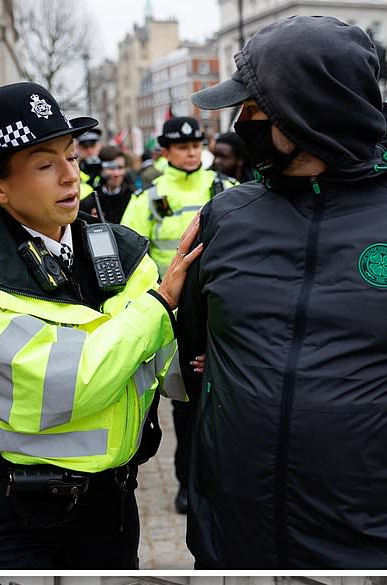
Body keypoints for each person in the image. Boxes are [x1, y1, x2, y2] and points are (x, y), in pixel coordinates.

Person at [181, 15, 387, 568]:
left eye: (254, 108)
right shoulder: (226, 217)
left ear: (305, 111)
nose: (240, 124)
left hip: (379, 544)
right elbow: (196, 344)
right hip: (233, 539)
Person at [0, 81, 198, 568]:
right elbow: (65, 384)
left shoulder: (125, 253)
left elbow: (168, 371)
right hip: (7, 514)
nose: (72, 175)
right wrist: (158, 307)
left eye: (71, 156)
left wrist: (202, 348)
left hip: (111, 505)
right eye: (45, 165)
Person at [128, 115, 235, 518]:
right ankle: (188, 485)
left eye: (196, 146)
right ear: (167, 152)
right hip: (174, 316)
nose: (191, 153)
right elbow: (129, 259)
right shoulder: (148, 198)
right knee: (186, 406)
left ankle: (224, 483)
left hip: (220, 313)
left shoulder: (226, 189)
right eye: (182, 147)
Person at [92, 144, 136, 224]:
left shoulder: (133, 197)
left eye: (120, 167)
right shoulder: (91, 198)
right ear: (101, 169)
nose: (116, 173)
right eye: (111, 168)